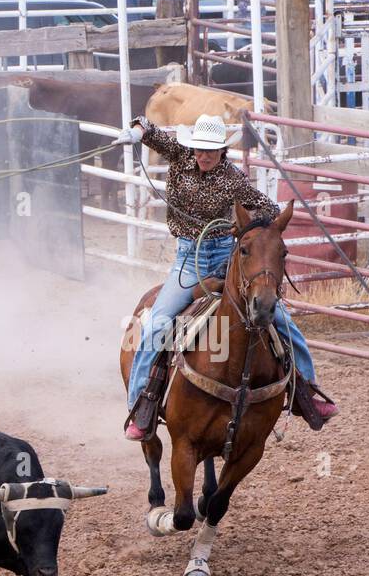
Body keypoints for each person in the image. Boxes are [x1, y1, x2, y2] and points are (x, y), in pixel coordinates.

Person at [118, 112, 338, 441]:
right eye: (199, 149)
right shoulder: (180, 157)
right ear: (192, 148)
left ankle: (306, 393)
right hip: (188, 261)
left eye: (211, 150)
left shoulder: (233, 181)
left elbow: (269, 209)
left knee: (284, 322)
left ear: (223, 150)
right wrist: (137, 131)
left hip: (225, 257)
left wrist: (249, 227)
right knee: (158, 322)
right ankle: (141, 404)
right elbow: (152, 133)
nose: (203, 155)